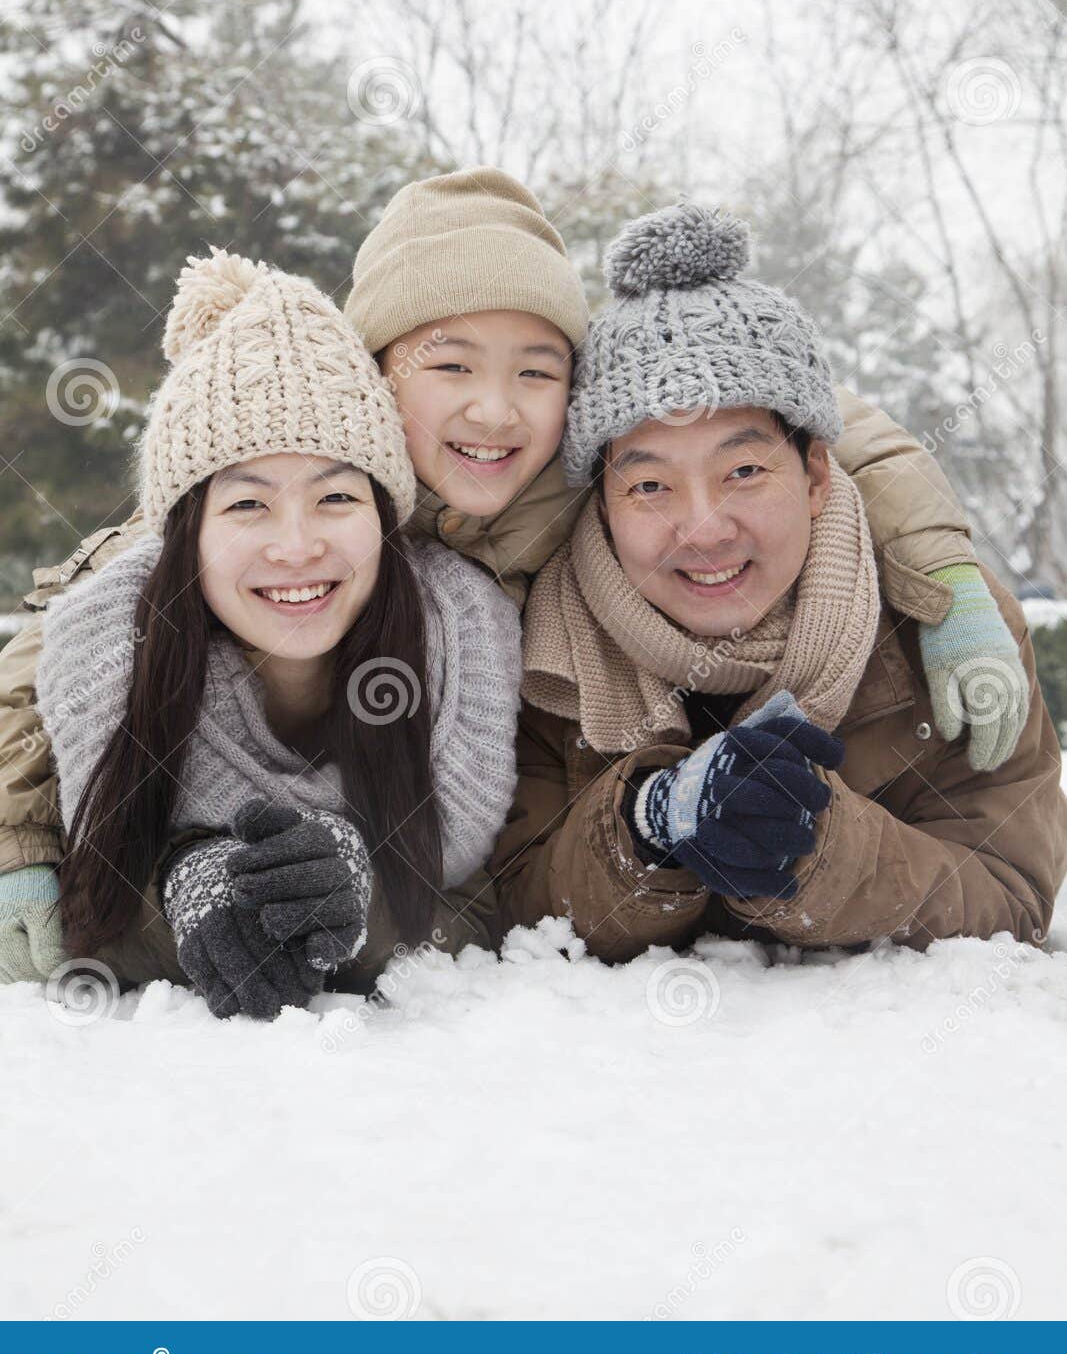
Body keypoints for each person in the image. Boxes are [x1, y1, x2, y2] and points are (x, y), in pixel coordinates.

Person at [0, 172, 1029, 978]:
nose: (494, 412)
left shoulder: (568, 495)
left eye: (535, 371)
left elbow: (833, 432)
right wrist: (21, 842)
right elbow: (75, 622)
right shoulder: (290, 468)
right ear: (369, 372)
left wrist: (940, 574)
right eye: (449, 365)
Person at [491, 201, 1066, 961]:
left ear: (816, 475)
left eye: (743, 471)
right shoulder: (541, 644)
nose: (702, 530)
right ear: (601, 502)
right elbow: (509, 897)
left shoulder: (943, 624)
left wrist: (817, 849)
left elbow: (1010, 890)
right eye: (650, 487)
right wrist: (647, 825)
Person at [2, 250, 521, 1015]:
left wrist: (352, 891)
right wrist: (186, 882)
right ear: (186, 534)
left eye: (336, 497)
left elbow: (482, 902)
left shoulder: (462, 640)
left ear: (385, 517)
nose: (296, 546)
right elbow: (85, 902)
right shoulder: (106, 653)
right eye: (247, 505)